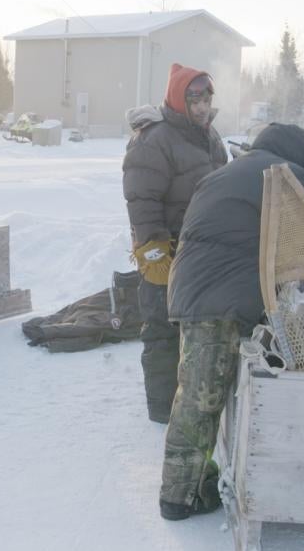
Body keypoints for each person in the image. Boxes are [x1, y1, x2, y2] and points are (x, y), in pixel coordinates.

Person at [159, 123, 304, 521]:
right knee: (201, 397)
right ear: (303, 155)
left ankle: (193, 482)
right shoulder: (285, 176)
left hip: (195, 288)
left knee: (201, 389)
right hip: (220, 299)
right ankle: (177, 497)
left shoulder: (229, 172)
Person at [122, 63, 229, 424]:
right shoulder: (156, 138)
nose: (201, 106)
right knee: (161, 330)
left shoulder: (209, 136)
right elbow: (141, 199)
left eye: (206, 98)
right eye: (193, 98)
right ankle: (163, 412)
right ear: (178, 99)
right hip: (165, 250)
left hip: (201, 251)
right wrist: (152, 253)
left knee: (194, 329)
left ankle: (191, 402)